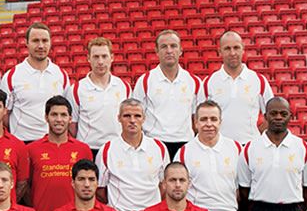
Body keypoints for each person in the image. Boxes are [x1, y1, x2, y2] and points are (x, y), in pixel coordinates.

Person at [131, 29, 200, 158]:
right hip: (154, 143)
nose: (169, 50)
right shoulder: (145, 81)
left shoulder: (194, 81)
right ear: (156, 51)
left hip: (185, 143)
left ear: (180, 50)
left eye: (173, 46)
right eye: (164, 47)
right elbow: (136, 116)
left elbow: (196, 118)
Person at [27, 96, 93, 211]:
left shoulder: (83, 150)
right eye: (54, 115)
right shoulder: (31, 149)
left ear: (70, 118)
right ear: (46, 117)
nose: (58, 120)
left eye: (63, 115)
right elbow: (26, 186)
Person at [0, 22, 69, 143]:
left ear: (50, 42)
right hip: (22, 142)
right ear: (26, 43)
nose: (41, 45)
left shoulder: (61, 75)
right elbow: (4, 115)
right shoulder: (12, 76)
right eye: (35, 41)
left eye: (45, 40)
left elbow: (66, 112)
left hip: (52, 142)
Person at [203, 30, 273, 145]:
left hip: (250, 145)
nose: (232, 53)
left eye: (236, 48)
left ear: (243, 49)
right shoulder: (209, 82)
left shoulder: (258, 80)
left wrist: (257, 134)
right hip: (220, 146)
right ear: (220, 51)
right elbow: (200, 118)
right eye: (227, 48)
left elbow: (271, 114)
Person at [68, 37, 129, 153]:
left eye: (104, 56)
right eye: (96, 57)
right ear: (88, 59)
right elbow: (72, 126)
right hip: (88, 148)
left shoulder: (123, 87)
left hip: (116, 148)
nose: (100, 61)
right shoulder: (76, 89)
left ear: (112, 58)